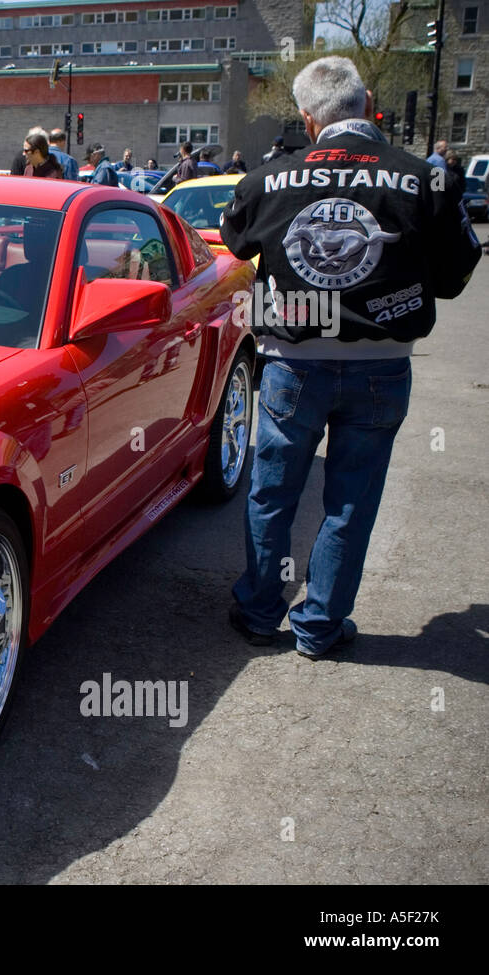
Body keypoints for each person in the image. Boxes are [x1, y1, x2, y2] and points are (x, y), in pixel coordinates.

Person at [221, 55, 481, 658]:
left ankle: (261, 611)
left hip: (291, 363)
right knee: (350, 498)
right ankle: (319, 625)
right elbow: (455, 273)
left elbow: (237, 245)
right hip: (383, 365)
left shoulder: (267, 179)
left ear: (309, 121)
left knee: (272, 492)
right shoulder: (425, 179)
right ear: (367, 106)